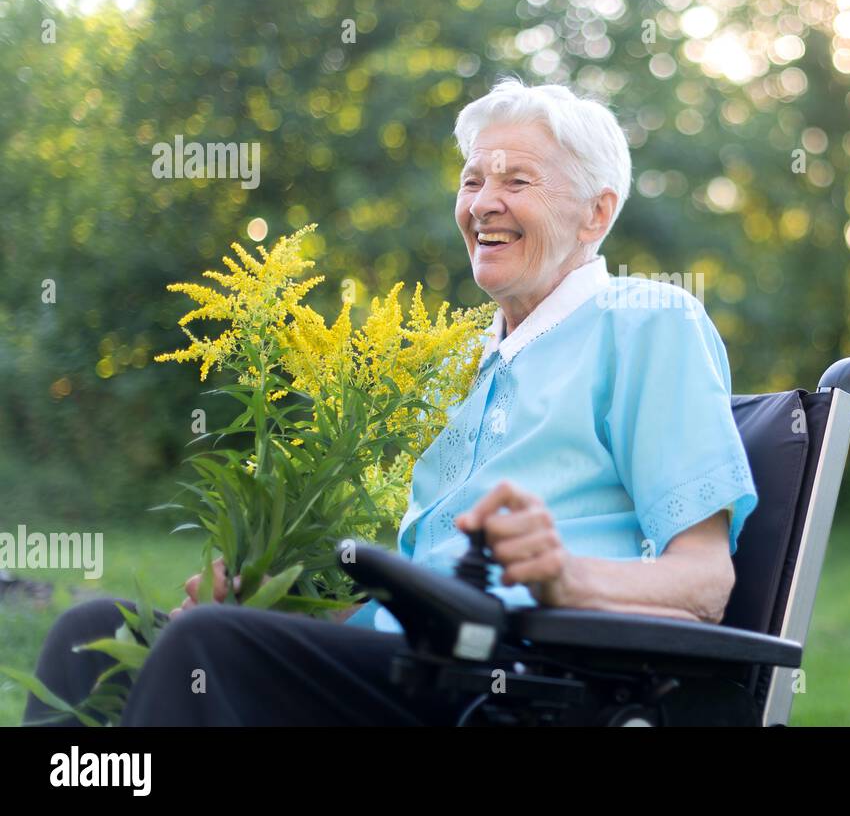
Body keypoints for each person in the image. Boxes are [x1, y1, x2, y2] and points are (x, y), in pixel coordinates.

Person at [25, 76, 758, 726]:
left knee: (205, 646)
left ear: (596, 214)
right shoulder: (458, 367)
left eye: (517, 182)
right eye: (471, 182)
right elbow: (414, 589)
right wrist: (273, 605)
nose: (483, 204)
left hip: (518, 684)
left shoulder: (647, 322)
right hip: (403, 663)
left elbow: (705, 583)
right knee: (93, 634)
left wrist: (565, 577)